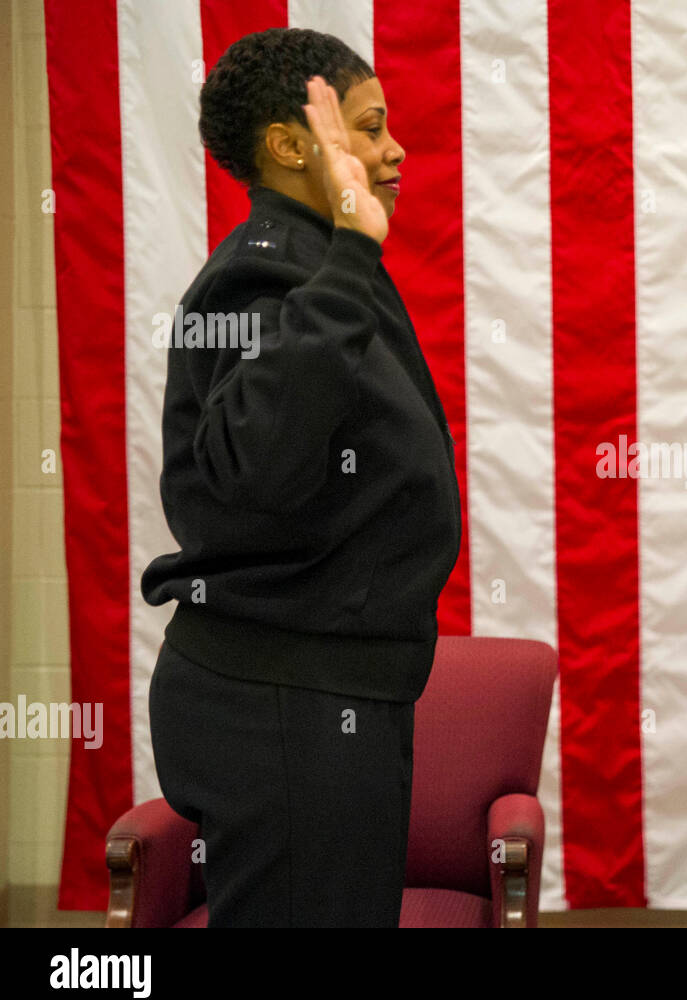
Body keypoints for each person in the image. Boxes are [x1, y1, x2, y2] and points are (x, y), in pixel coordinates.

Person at [141, 28, 461, 926]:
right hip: (280, 704)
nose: (394, 148)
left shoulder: (311, 262)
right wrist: (357, 246)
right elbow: (257, 465)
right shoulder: (258, 274)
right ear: (291, 146)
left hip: (326, 694)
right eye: (369, 127)